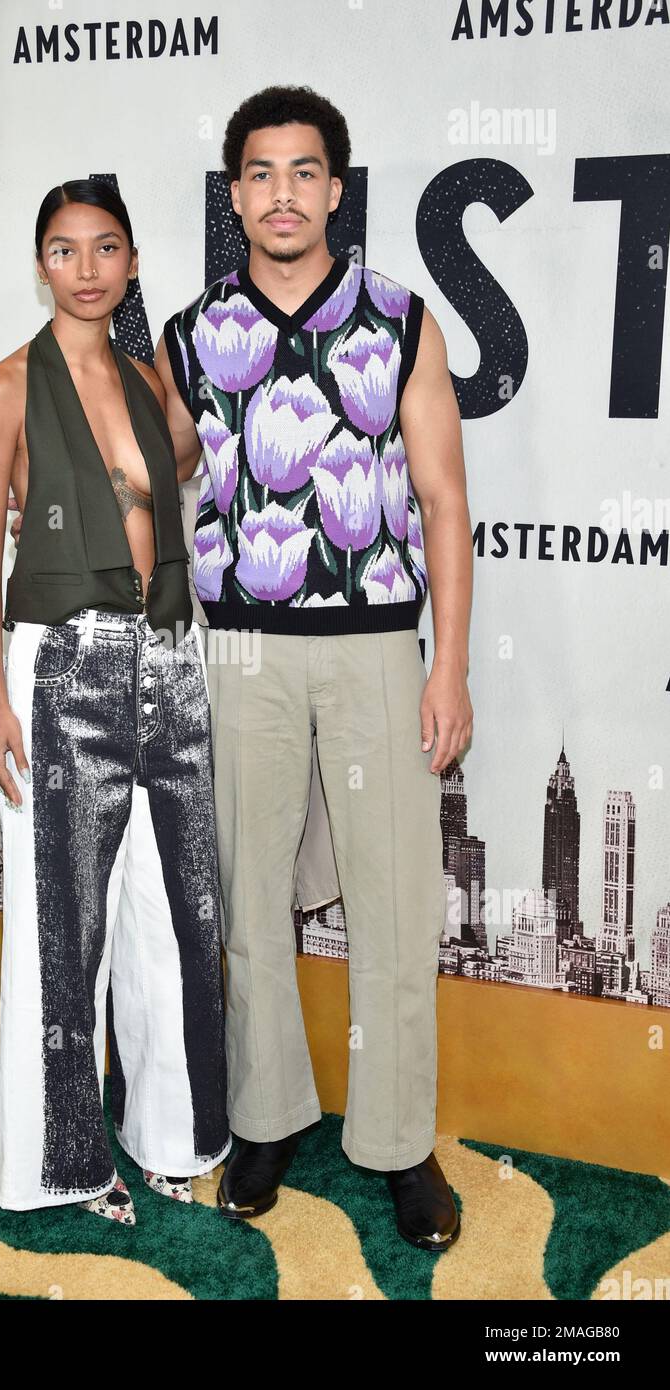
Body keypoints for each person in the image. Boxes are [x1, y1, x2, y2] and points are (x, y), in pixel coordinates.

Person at [152, 86, 474, 1251]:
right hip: (235, 641)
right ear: (231, 192)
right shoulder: (188, 335)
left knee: (392, 902)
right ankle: (264, 1118)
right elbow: (154, 472)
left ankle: (397, 1143)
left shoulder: (400, 318)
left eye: (302, 172)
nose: (279, 193)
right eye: (256, 173)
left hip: (377, 641)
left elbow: (441, 500)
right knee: (245, 898)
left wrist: (447, 671)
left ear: (336, 188)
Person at [0, 178, 232, 1226]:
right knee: (58, 931)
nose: (84, 268)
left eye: (104, 248)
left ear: (127, 265)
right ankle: (65, 1164)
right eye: (64, 250)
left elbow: (184, 465)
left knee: (175, 915)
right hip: (56, 664)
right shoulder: (0, 390)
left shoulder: (145, 379)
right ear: (41, 265)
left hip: (168, 659)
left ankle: (169, 1138)